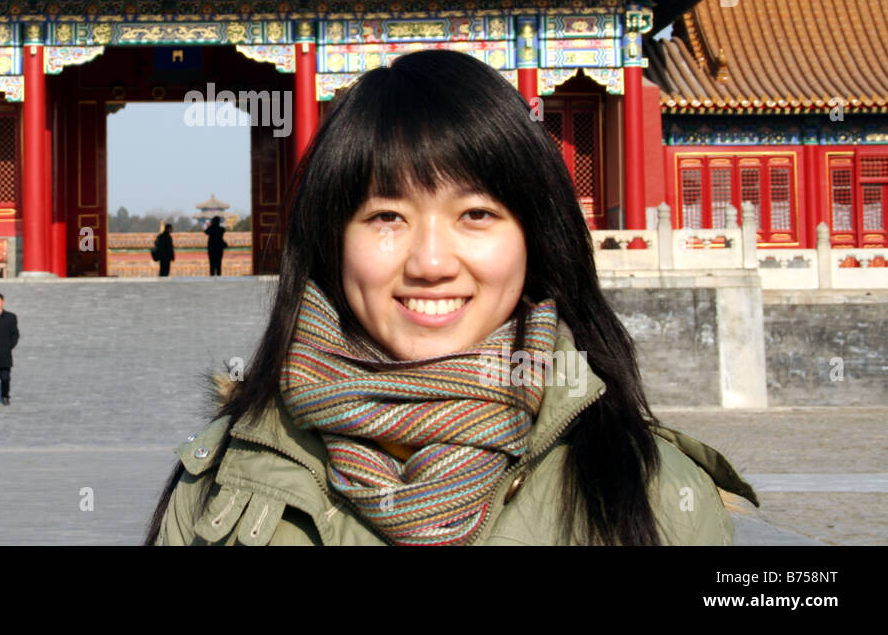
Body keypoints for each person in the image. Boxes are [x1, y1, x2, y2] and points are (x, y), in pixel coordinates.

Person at [148, 49, 756, 546]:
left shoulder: (647, 492)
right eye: (386, 215)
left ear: (535, 236)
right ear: (330, 241)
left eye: (476, 213)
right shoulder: (221, 485)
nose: (431, 263)